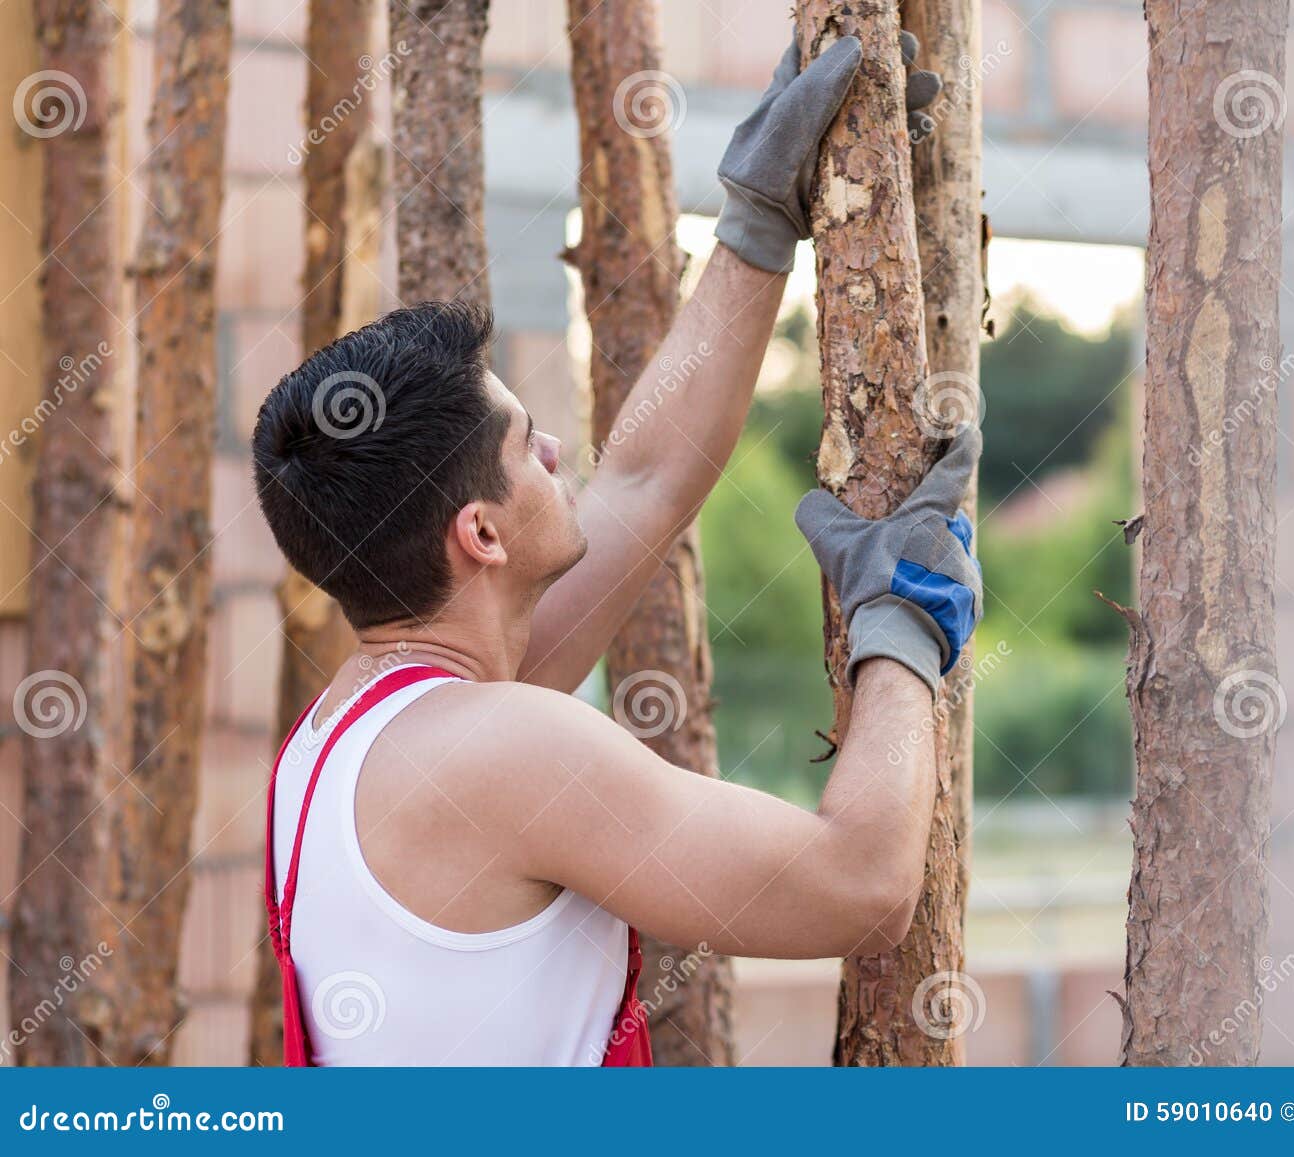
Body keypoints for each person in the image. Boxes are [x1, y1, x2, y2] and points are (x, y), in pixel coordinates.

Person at [251, 31, 977, 1066]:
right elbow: (858, 888)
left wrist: (757, 222)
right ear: (480, 534)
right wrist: (904, 623)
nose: (556, 449)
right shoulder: (501, 752)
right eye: (524, 443)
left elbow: (646, 481)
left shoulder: (351, 739)